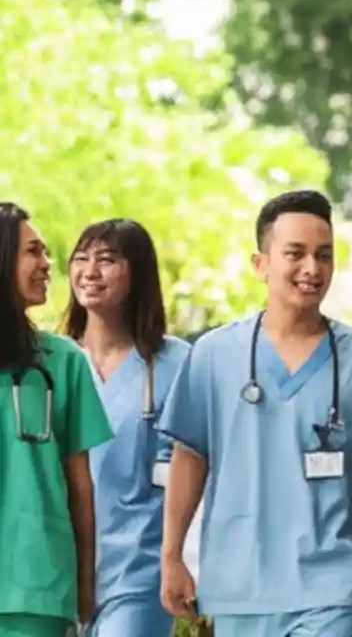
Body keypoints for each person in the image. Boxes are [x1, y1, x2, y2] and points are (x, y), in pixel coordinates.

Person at [156, 190, 352, 636]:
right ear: (260, 263)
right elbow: (189, 457)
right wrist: (170, 557)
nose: (312, 269)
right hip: (241, 589)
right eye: (295, 254)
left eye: (324, 255)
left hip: (338, 585)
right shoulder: (212, 356)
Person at [65, 219, 192, 637]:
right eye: (81, 259)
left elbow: (200, 467)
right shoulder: (56, 363)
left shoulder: (177, 365)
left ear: (138, 273)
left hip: (139, 572)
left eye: (107, 260)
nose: (90, 272)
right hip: (60, 573)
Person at [0, 203, 114, 637]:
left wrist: (84, 581)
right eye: (33, 252)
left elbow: (80, 484)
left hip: (39, 584)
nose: (48, 264)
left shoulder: (64, 361)